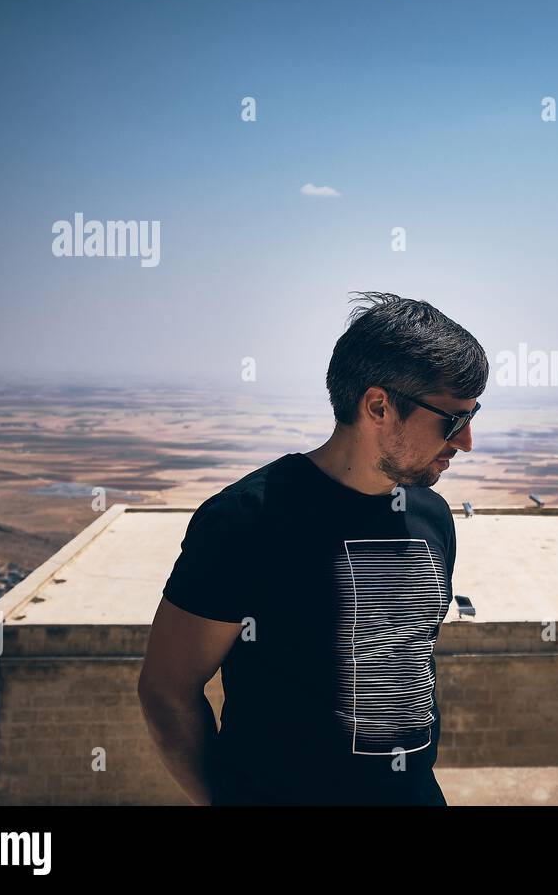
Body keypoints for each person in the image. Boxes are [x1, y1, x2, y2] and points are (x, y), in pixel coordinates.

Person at [137, 292, 486, 805]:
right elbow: (166, 690)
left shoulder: (432, 518)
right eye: (453, 421)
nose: (468, 441)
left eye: (473, 416)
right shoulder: (244, 521)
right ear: (378, 406)